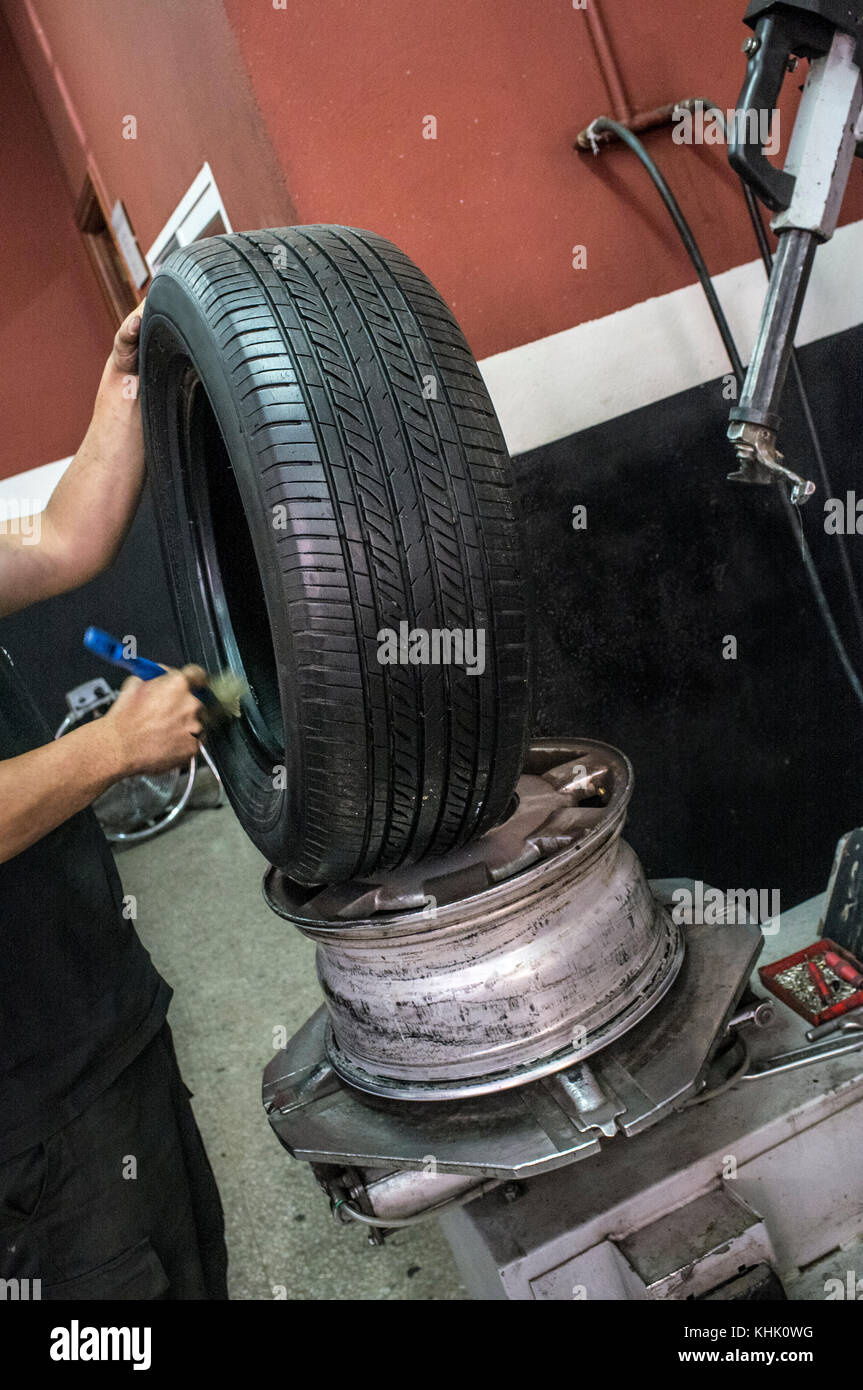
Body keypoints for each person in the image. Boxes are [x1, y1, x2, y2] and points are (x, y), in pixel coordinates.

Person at [0, 307, 228, 1300]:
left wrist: (126, 382)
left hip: (101, 1023)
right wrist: (112, 747)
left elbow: (62, 538)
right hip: (28, 1110)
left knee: (186, 1263)